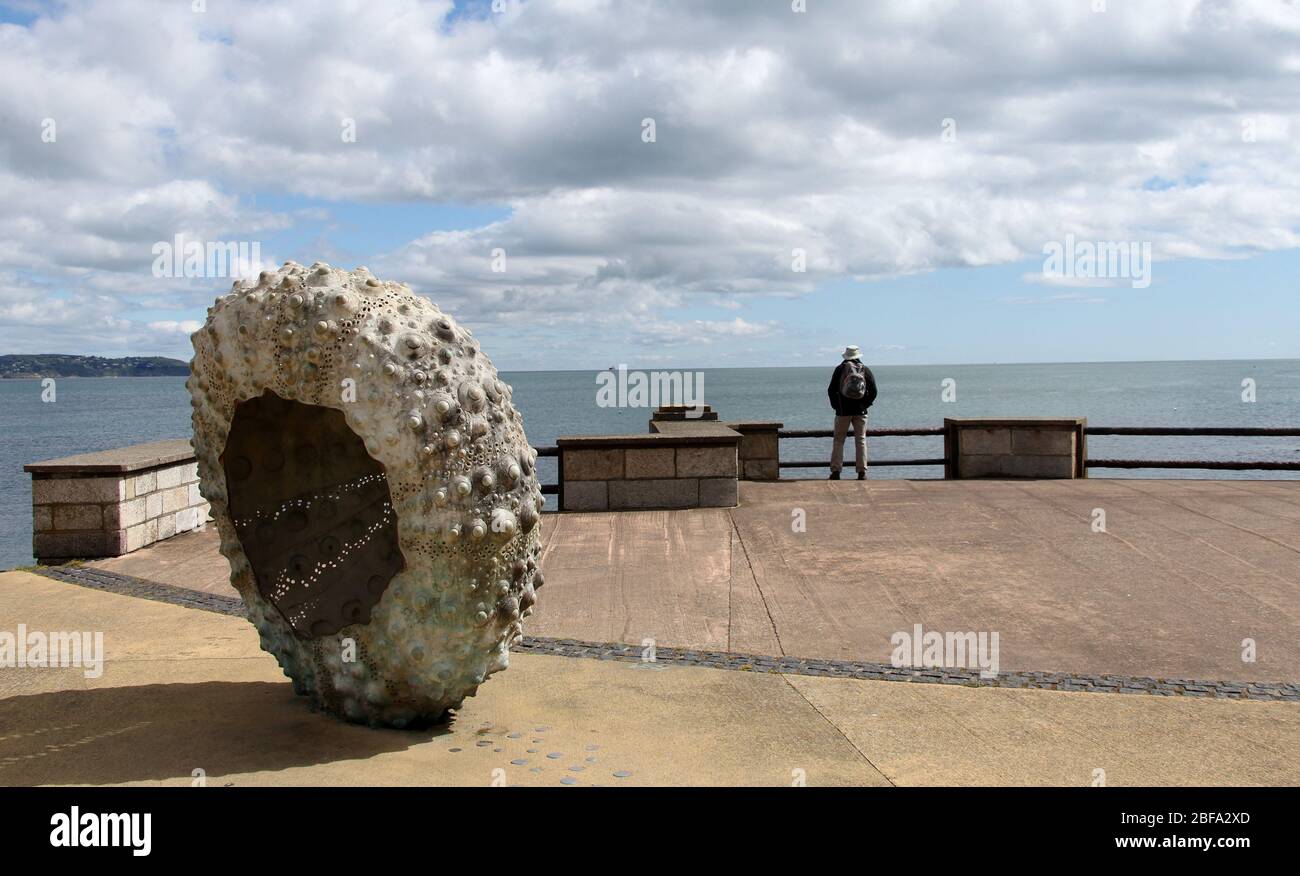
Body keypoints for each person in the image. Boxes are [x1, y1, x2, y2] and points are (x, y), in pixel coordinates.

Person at [826, 345, 878, 480]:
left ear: (846, 355)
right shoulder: (864, 369)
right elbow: (874, 391)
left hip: (843, 411)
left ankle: (836, 471)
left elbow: (831, 390)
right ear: (858, 355)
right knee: (861, 440)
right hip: (860, 411)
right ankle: (862, 472)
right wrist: (865, 404)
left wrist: (836, 407)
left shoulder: (840, 369)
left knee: (838, 441)